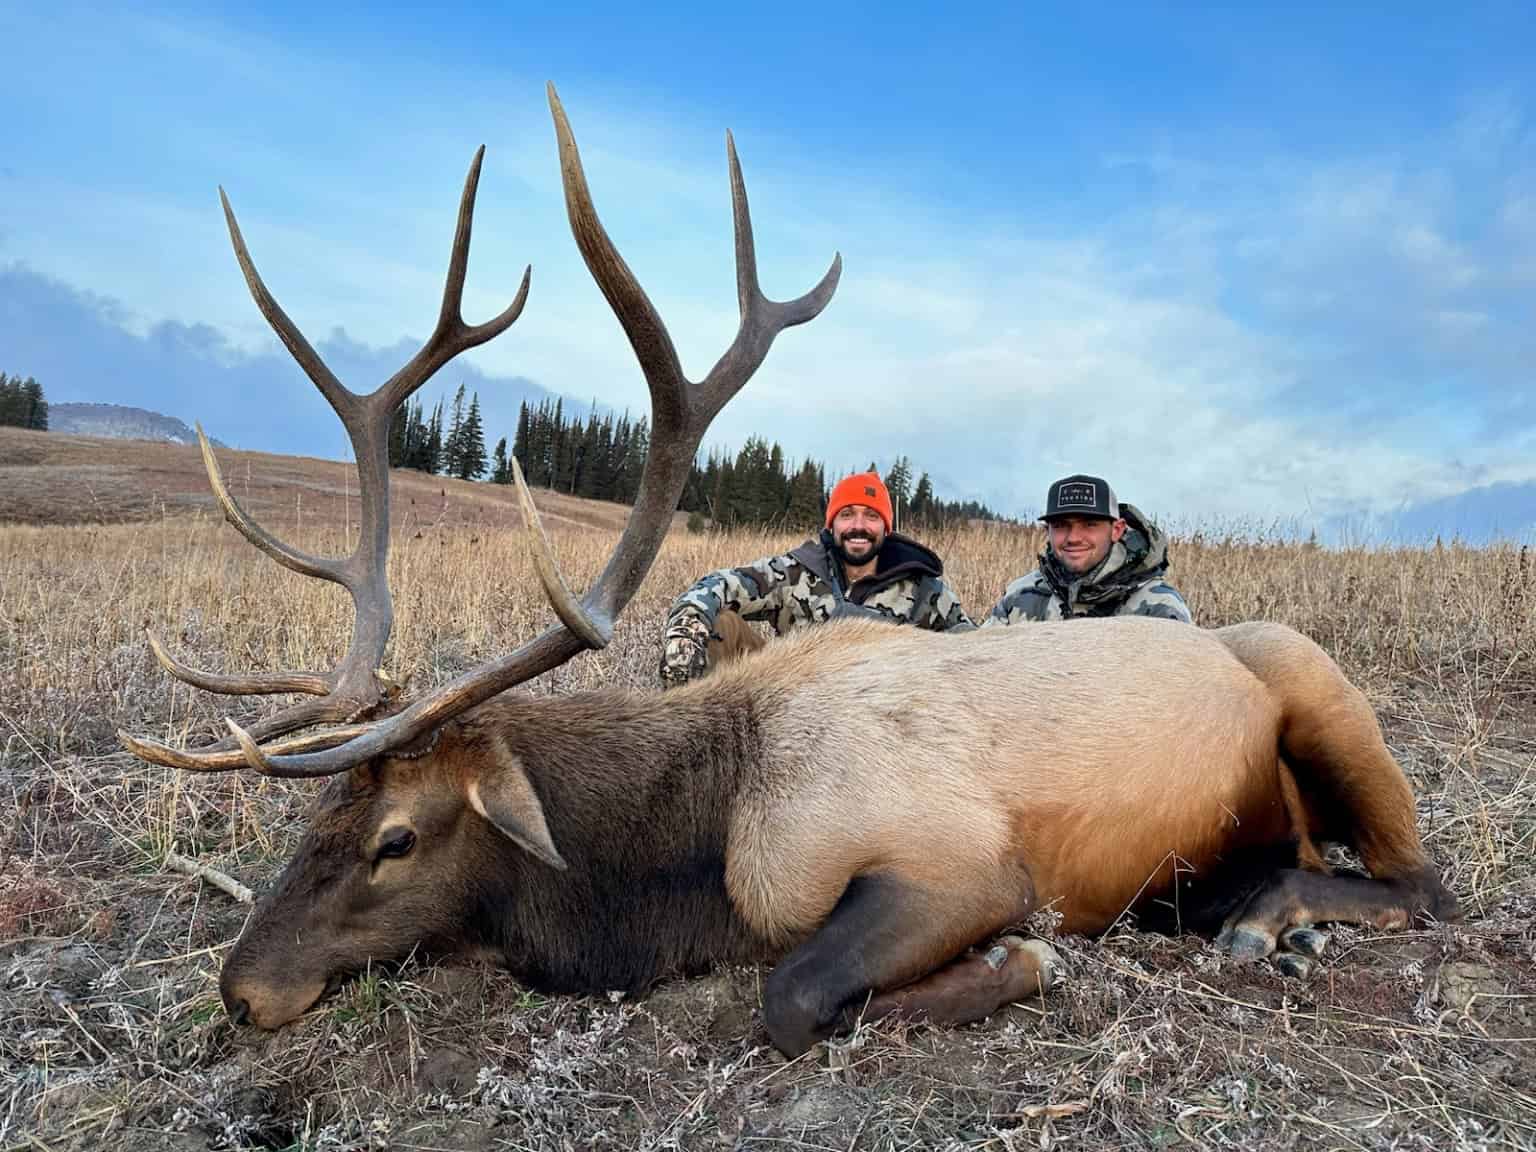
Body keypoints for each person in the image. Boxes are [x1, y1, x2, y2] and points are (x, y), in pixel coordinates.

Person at [659, 470, 974, 685]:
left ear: (886, 527)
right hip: (791, 705)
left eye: (871, 516)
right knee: (721, 623)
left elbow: (976, 650)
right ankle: (697, 748)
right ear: (832, 524)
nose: (858, 526)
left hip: (885, 727)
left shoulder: (924, 591)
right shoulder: (798, 572)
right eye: (847, 515)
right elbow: (718, 585)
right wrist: (685, 633)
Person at [984, 473, 1192, 625]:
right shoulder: (1020, 595)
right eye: (1060, 526)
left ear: (1117, 530)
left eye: (1089, 524)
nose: (1073, 538)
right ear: (1047, 530)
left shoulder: (1159, 607)